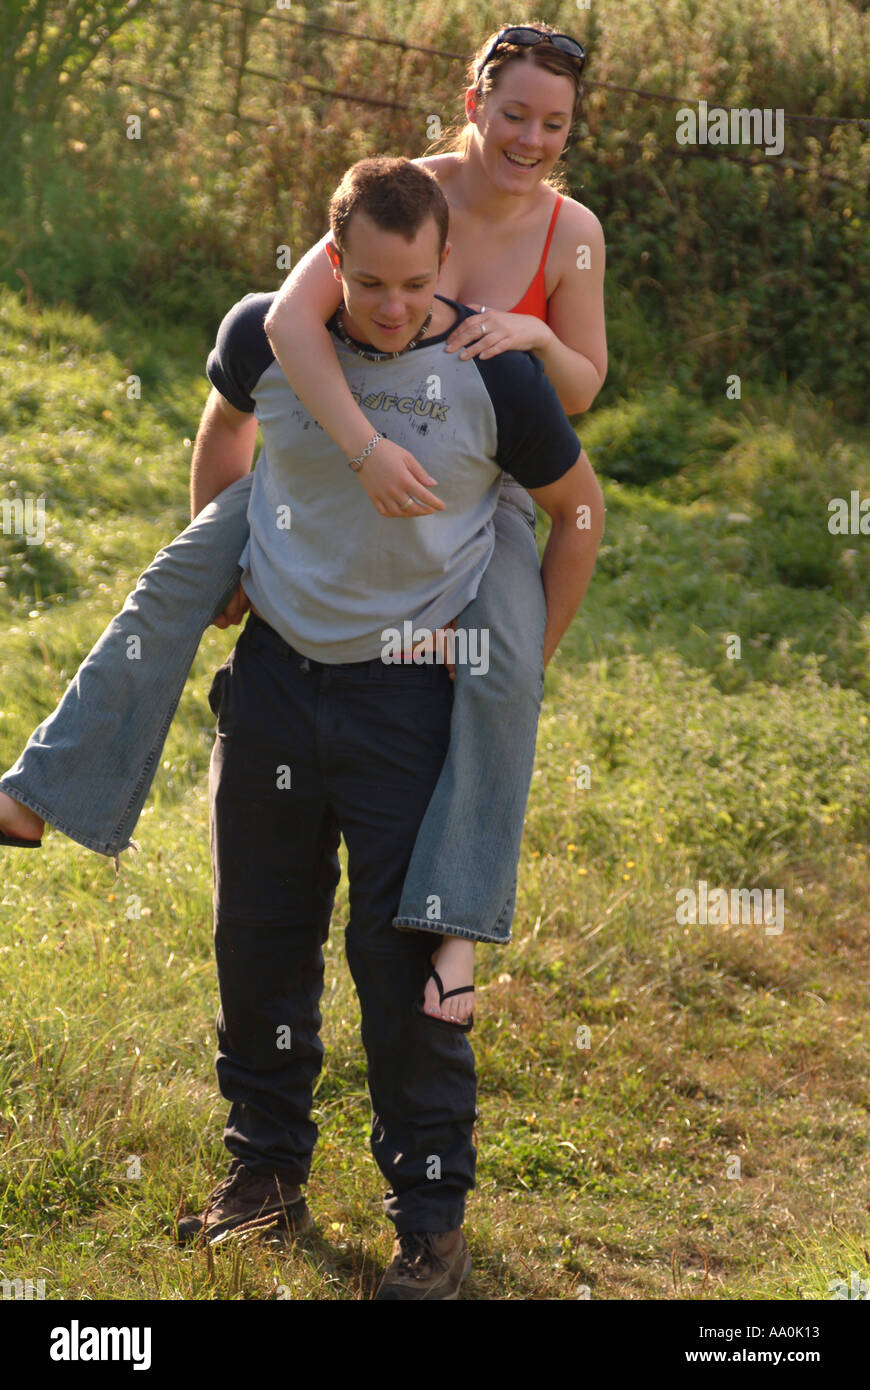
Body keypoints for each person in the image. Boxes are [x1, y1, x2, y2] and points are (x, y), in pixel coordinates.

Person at [0, 21, 606, 1027]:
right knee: (175, 576)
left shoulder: (571, 230)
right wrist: (359, 453)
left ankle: (458, 929)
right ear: (474, 105)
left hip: (478, 482)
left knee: (508, 672)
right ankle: (45, 786)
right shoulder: (401, 190)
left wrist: (535, 329)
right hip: (335, 457)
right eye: (515, 114)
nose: (532, 137)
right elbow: (289, 323)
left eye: (555, 122)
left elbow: (580, 388)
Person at [178, 154, 603, 1299]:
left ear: (444, 263)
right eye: (369, 282)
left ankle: (429, 1218)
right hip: (272, 680)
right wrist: (219, 550)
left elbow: (579, 511)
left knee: (405, 960)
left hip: (408, 696)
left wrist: (519, 666)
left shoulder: (492, 373)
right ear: (332, 256)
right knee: (258, 940)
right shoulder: (269, 333)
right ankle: (263, 1173)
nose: (393, 306)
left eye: (415, 283)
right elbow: (223, 424)